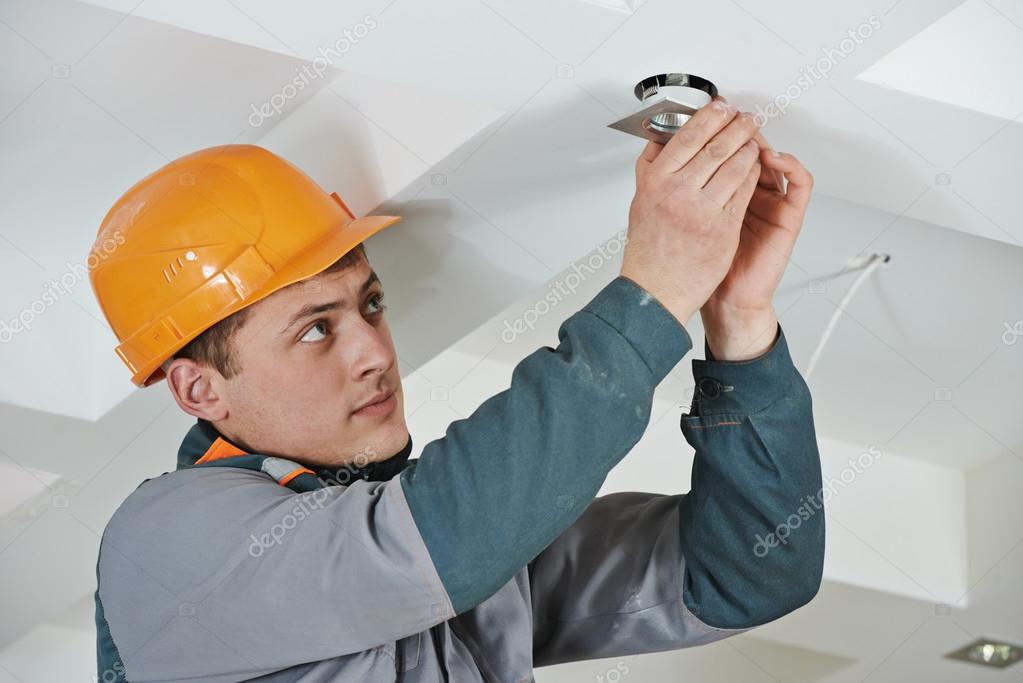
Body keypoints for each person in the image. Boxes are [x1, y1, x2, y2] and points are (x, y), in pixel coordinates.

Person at [89, 95, 823, 681]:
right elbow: (444, 537)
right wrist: (655, 291)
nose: (375, 350)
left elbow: (746, 574)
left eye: (370, 304)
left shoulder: (448, 551)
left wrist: (737, 323)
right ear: (198, 389)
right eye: (316, 329)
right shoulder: (164, 543)